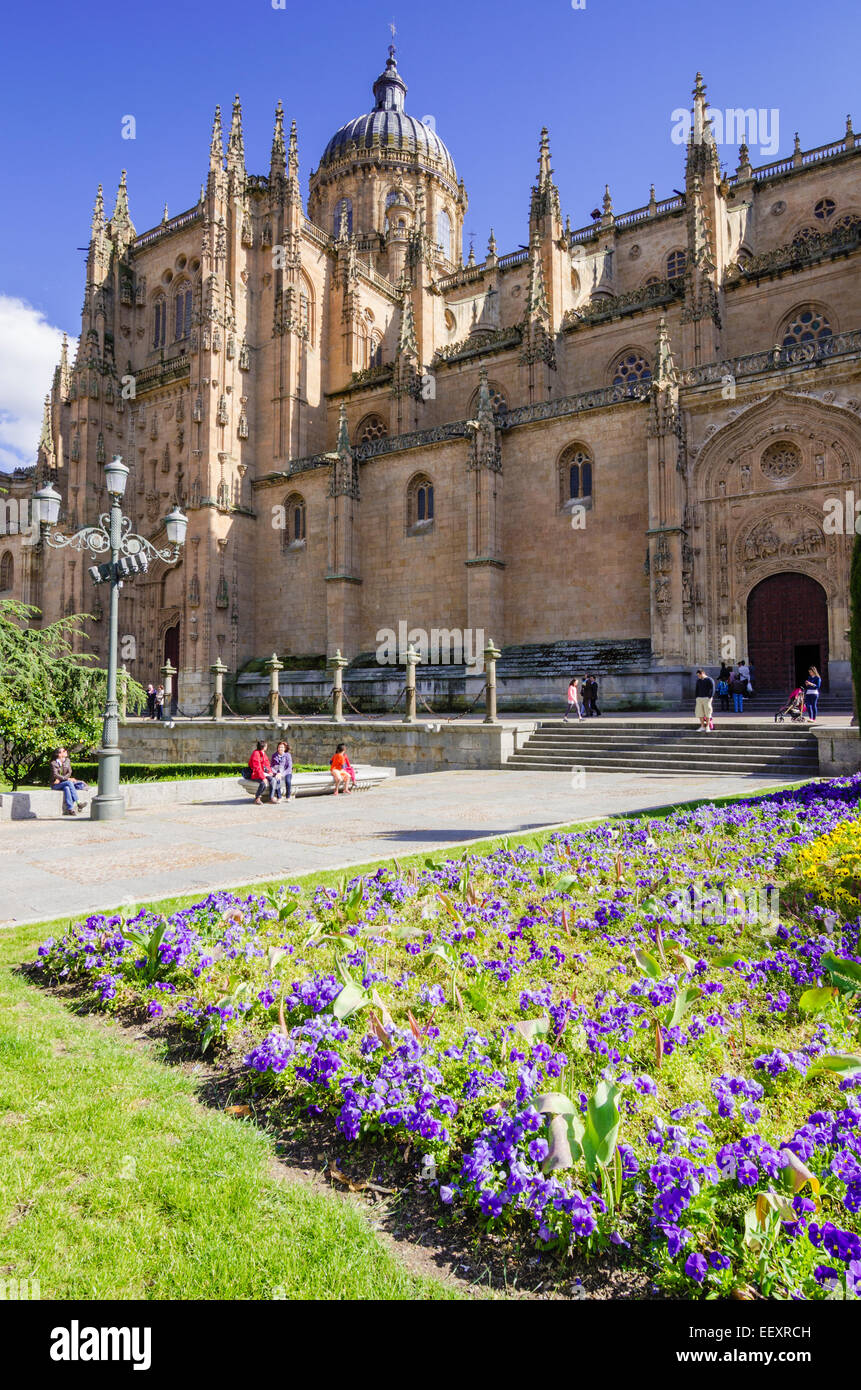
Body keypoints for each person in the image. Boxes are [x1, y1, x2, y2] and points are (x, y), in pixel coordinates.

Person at [49, 746, 88, 815]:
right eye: (64, 751)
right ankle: (78, 803)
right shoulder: (53, 763)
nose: (66, 752)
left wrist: (64, 778)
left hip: (64, 783)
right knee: (69, 783)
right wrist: (66, 779)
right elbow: (55, 774)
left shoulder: (67, 761)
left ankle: (70, 809)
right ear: (59, 754)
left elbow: (69, 772)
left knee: (67, 788)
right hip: (55, 784)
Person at [249, 740, 273, 804]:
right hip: (255, 774)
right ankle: (257, 798)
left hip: (261, 773)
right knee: (263, 783)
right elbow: (257, 767)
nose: (267, 747)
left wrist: (269, 771)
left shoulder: (263, 753)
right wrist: (263, 778)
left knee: (272, 780)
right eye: (266, 746)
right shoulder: (256, 753)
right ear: (264, 747)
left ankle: (271, 797)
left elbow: (267, 764)